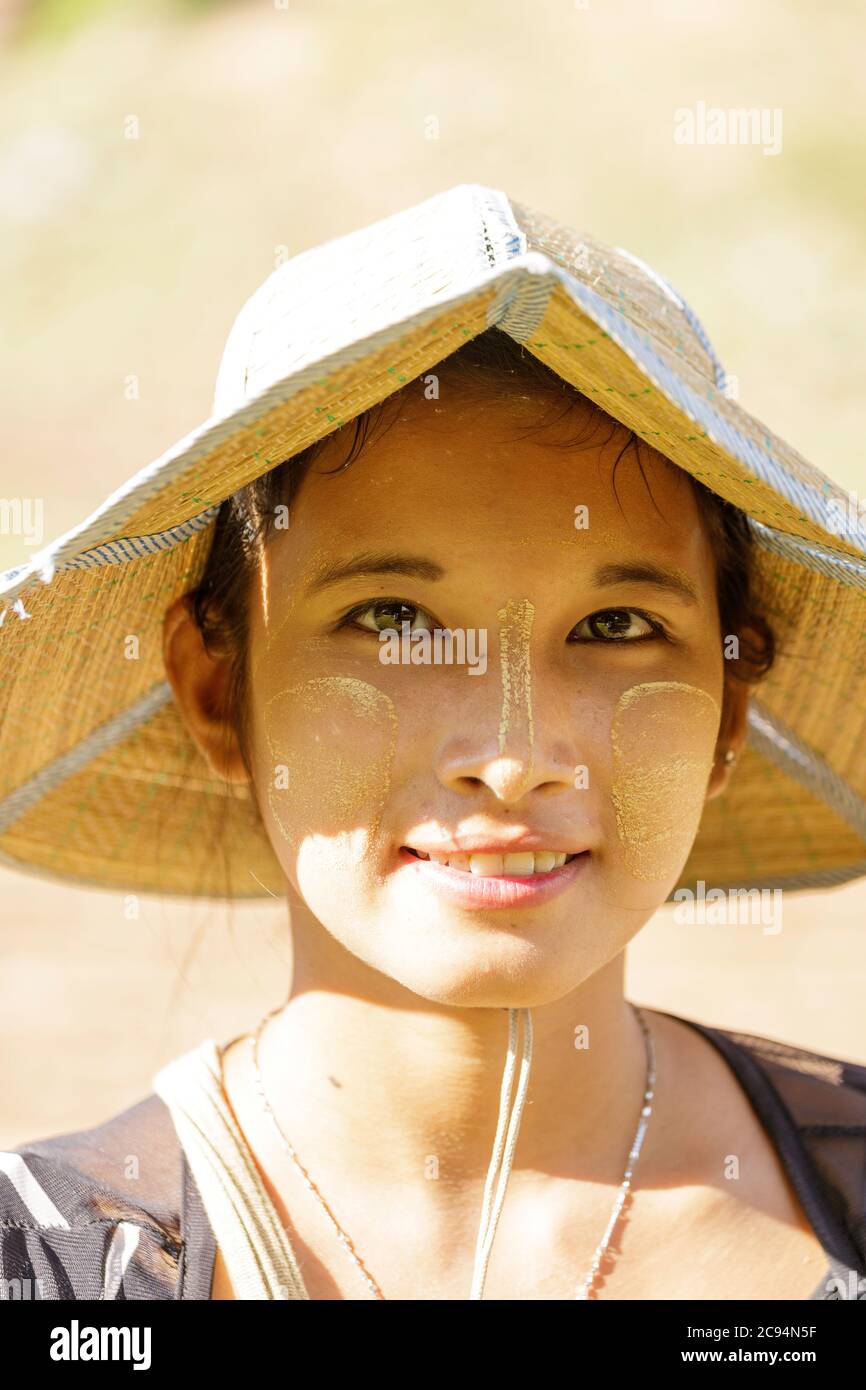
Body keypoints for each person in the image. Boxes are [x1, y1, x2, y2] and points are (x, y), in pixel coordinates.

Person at [1, 186, 864, 1301]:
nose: (512, 757)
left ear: (726, 707)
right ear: (218, 692)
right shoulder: (52, 1275)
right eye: (392, 620)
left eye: (614, 627)